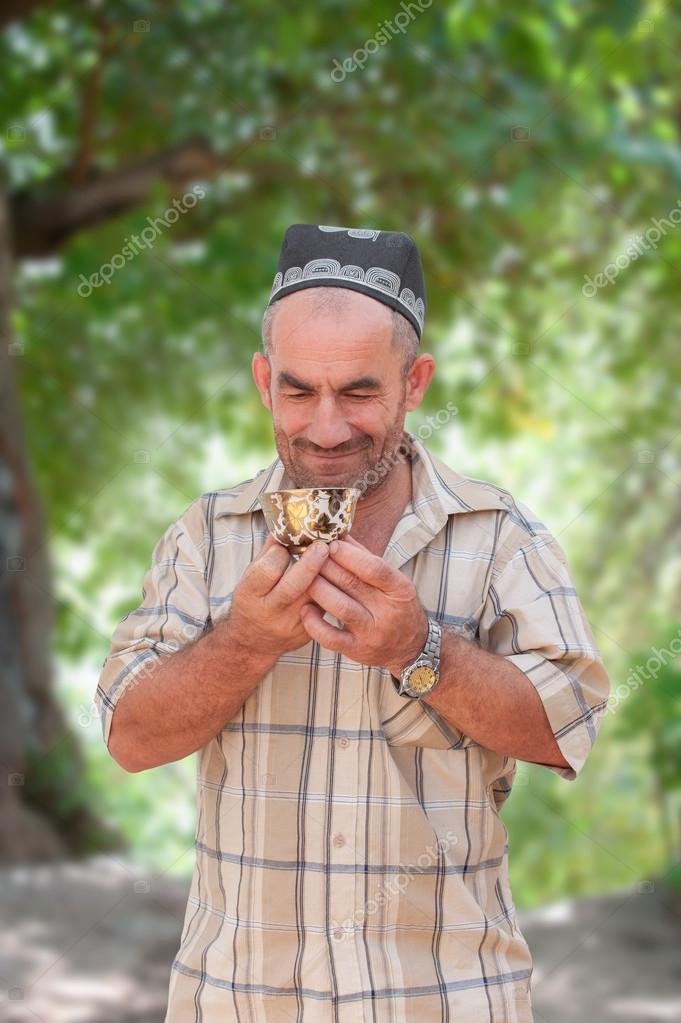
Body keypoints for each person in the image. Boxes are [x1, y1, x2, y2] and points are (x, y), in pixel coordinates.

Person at [95, 223, 611, 1023]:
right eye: (299, 390)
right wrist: (246, 639)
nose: (327, 428)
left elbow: (564, 730)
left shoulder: (499, 534)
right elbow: (131, 738)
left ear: (414, 383)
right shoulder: (206, 535)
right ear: (264, 381)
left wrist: (420, 649)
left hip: (443, 1000)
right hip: (239, 1002)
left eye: (360, 392)